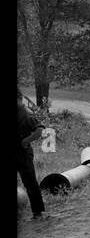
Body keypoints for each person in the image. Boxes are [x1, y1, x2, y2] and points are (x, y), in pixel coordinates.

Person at [17, 89, 46, 220]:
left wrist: (26, 141)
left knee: (30, 183)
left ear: (19, 98)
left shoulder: (27, 114)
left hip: (23, 153)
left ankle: (38, 212)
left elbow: (39, 130)